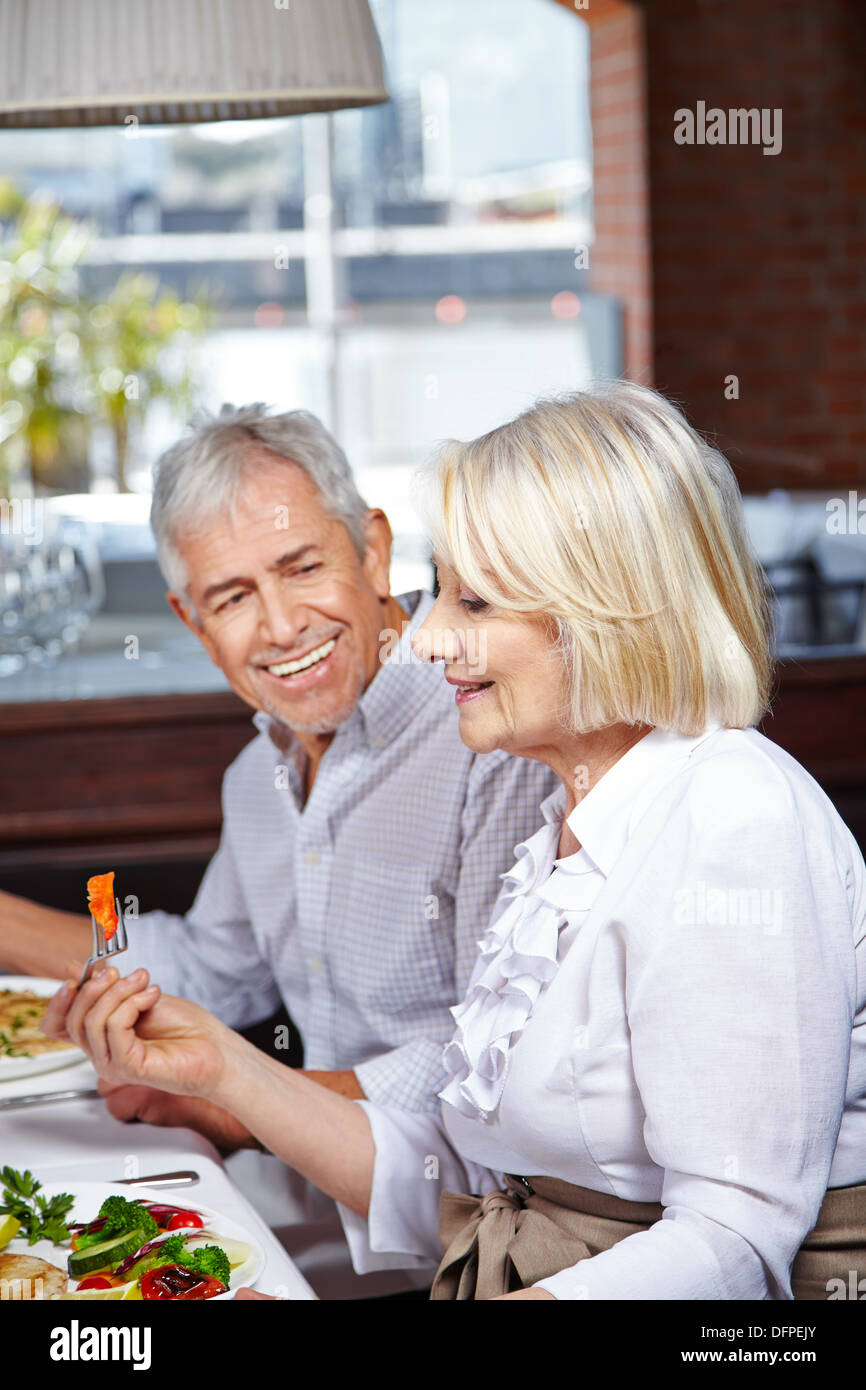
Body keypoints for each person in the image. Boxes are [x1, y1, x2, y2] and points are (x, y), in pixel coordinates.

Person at [44, 382, 866, 1300]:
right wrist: (224, 1069)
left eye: (472, 603)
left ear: (606, 607)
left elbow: (734, 1243)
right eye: (442, 594)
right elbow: (467, 1187)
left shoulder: (736, 815)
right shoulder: (569, 822)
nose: (427, 640)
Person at [1, 404, 554, 1297]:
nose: (282, 625)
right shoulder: (255, 777)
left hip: (468, 1238)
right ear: (191, 620)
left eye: (302, 567)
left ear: (372, 548)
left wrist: (237, 1100)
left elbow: (486, 1062)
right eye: (232, 597)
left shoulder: (491, 733)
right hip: (311, 1211)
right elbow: (204, 967)